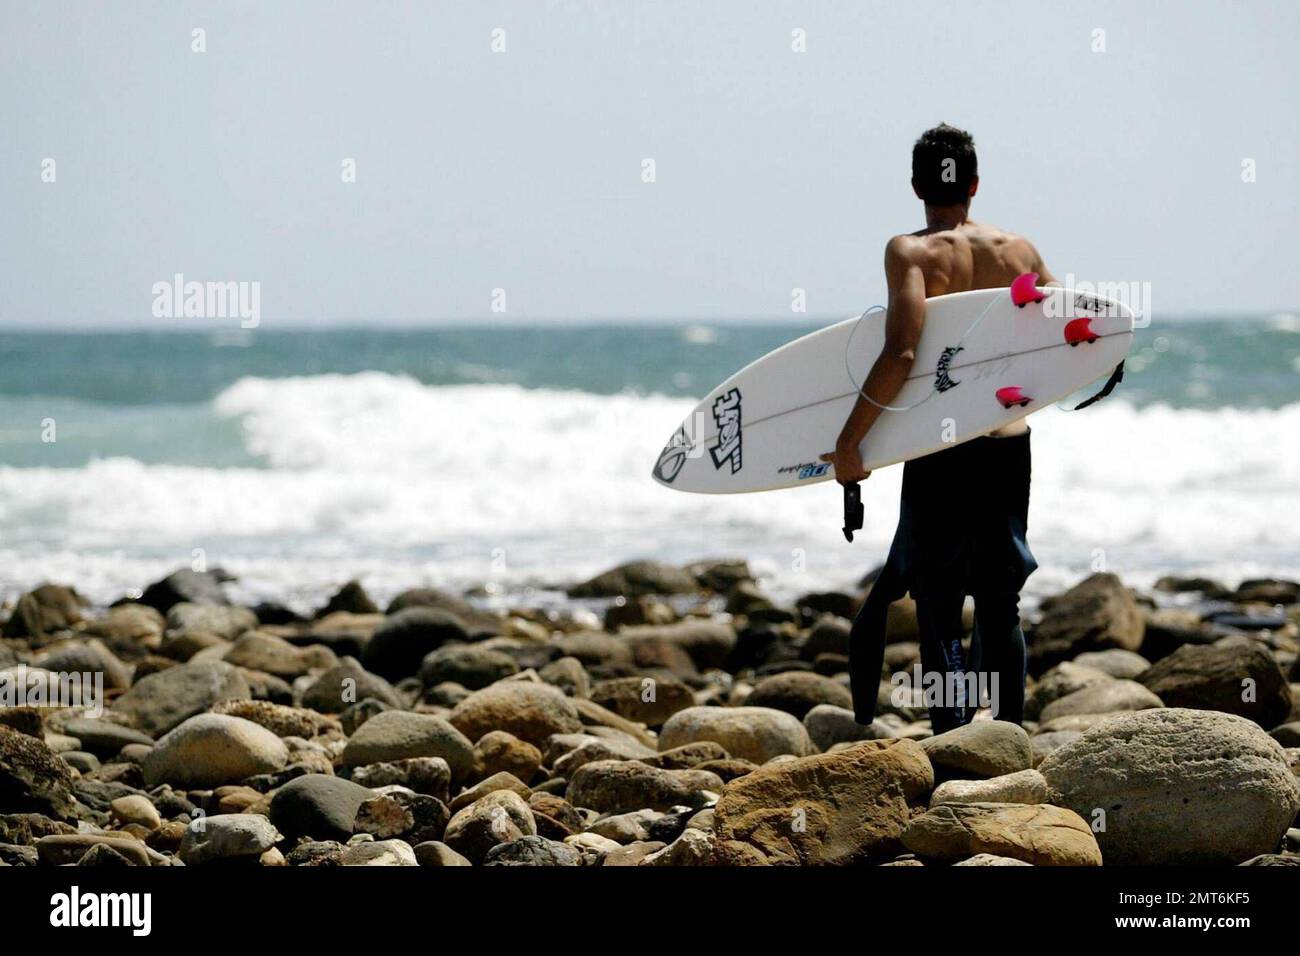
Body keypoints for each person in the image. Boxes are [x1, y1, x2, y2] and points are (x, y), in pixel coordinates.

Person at [819, 123, 1057, 733]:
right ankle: (1009, 738)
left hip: (941, 446)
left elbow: (902, 351)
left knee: (939, 603)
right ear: (975, 183)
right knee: (1001, 601)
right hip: (1009, 442)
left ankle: (952, 741)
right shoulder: (1019, 252)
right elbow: (1066, 331)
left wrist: (851, 443)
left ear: (917, 186)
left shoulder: (910, 251)